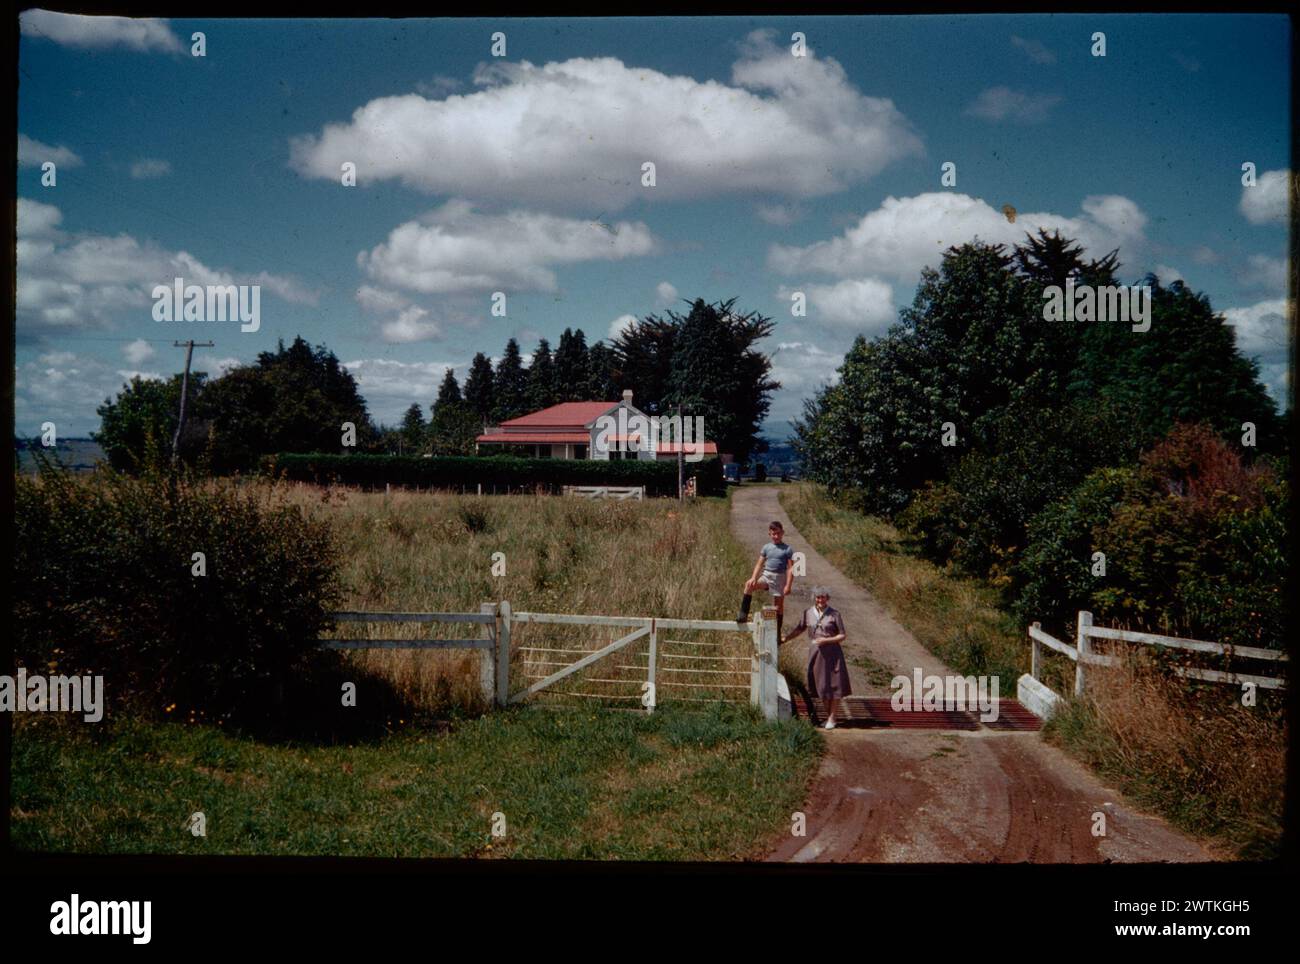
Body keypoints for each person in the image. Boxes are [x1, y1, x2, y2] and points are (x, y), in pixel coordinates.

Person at [781, 586, 851, 729]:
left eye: (823, 597)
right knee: (821, 685)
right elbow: (800, 628)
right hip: (816, 653)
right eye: (818, 597)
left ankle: (832, 718)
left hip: (833, 653)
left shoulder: (834, 614)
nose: (820, 600)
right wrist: (786, 638)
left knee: (835, 684)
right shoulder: (808, 613)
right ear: (814, 598)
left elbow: (842, 635)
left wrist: (827, 640)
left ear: (827, 598)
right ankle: (829, 716)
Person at [736, 520, 794, 638]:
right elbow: (759, 564)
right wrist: (753, 578)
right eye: (774, 534)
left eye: (778, 533)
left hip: (779, 577)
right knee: (749, 585)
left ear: (782, 533)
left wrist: (788, 585)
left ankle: (777, 634)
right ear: (769, 534)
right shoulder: (766, 547)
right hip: (766, 575)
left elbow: (790, 569)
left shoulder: (787, 549)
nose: (776, 536)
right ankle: (743, 614)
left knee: (778, 606)